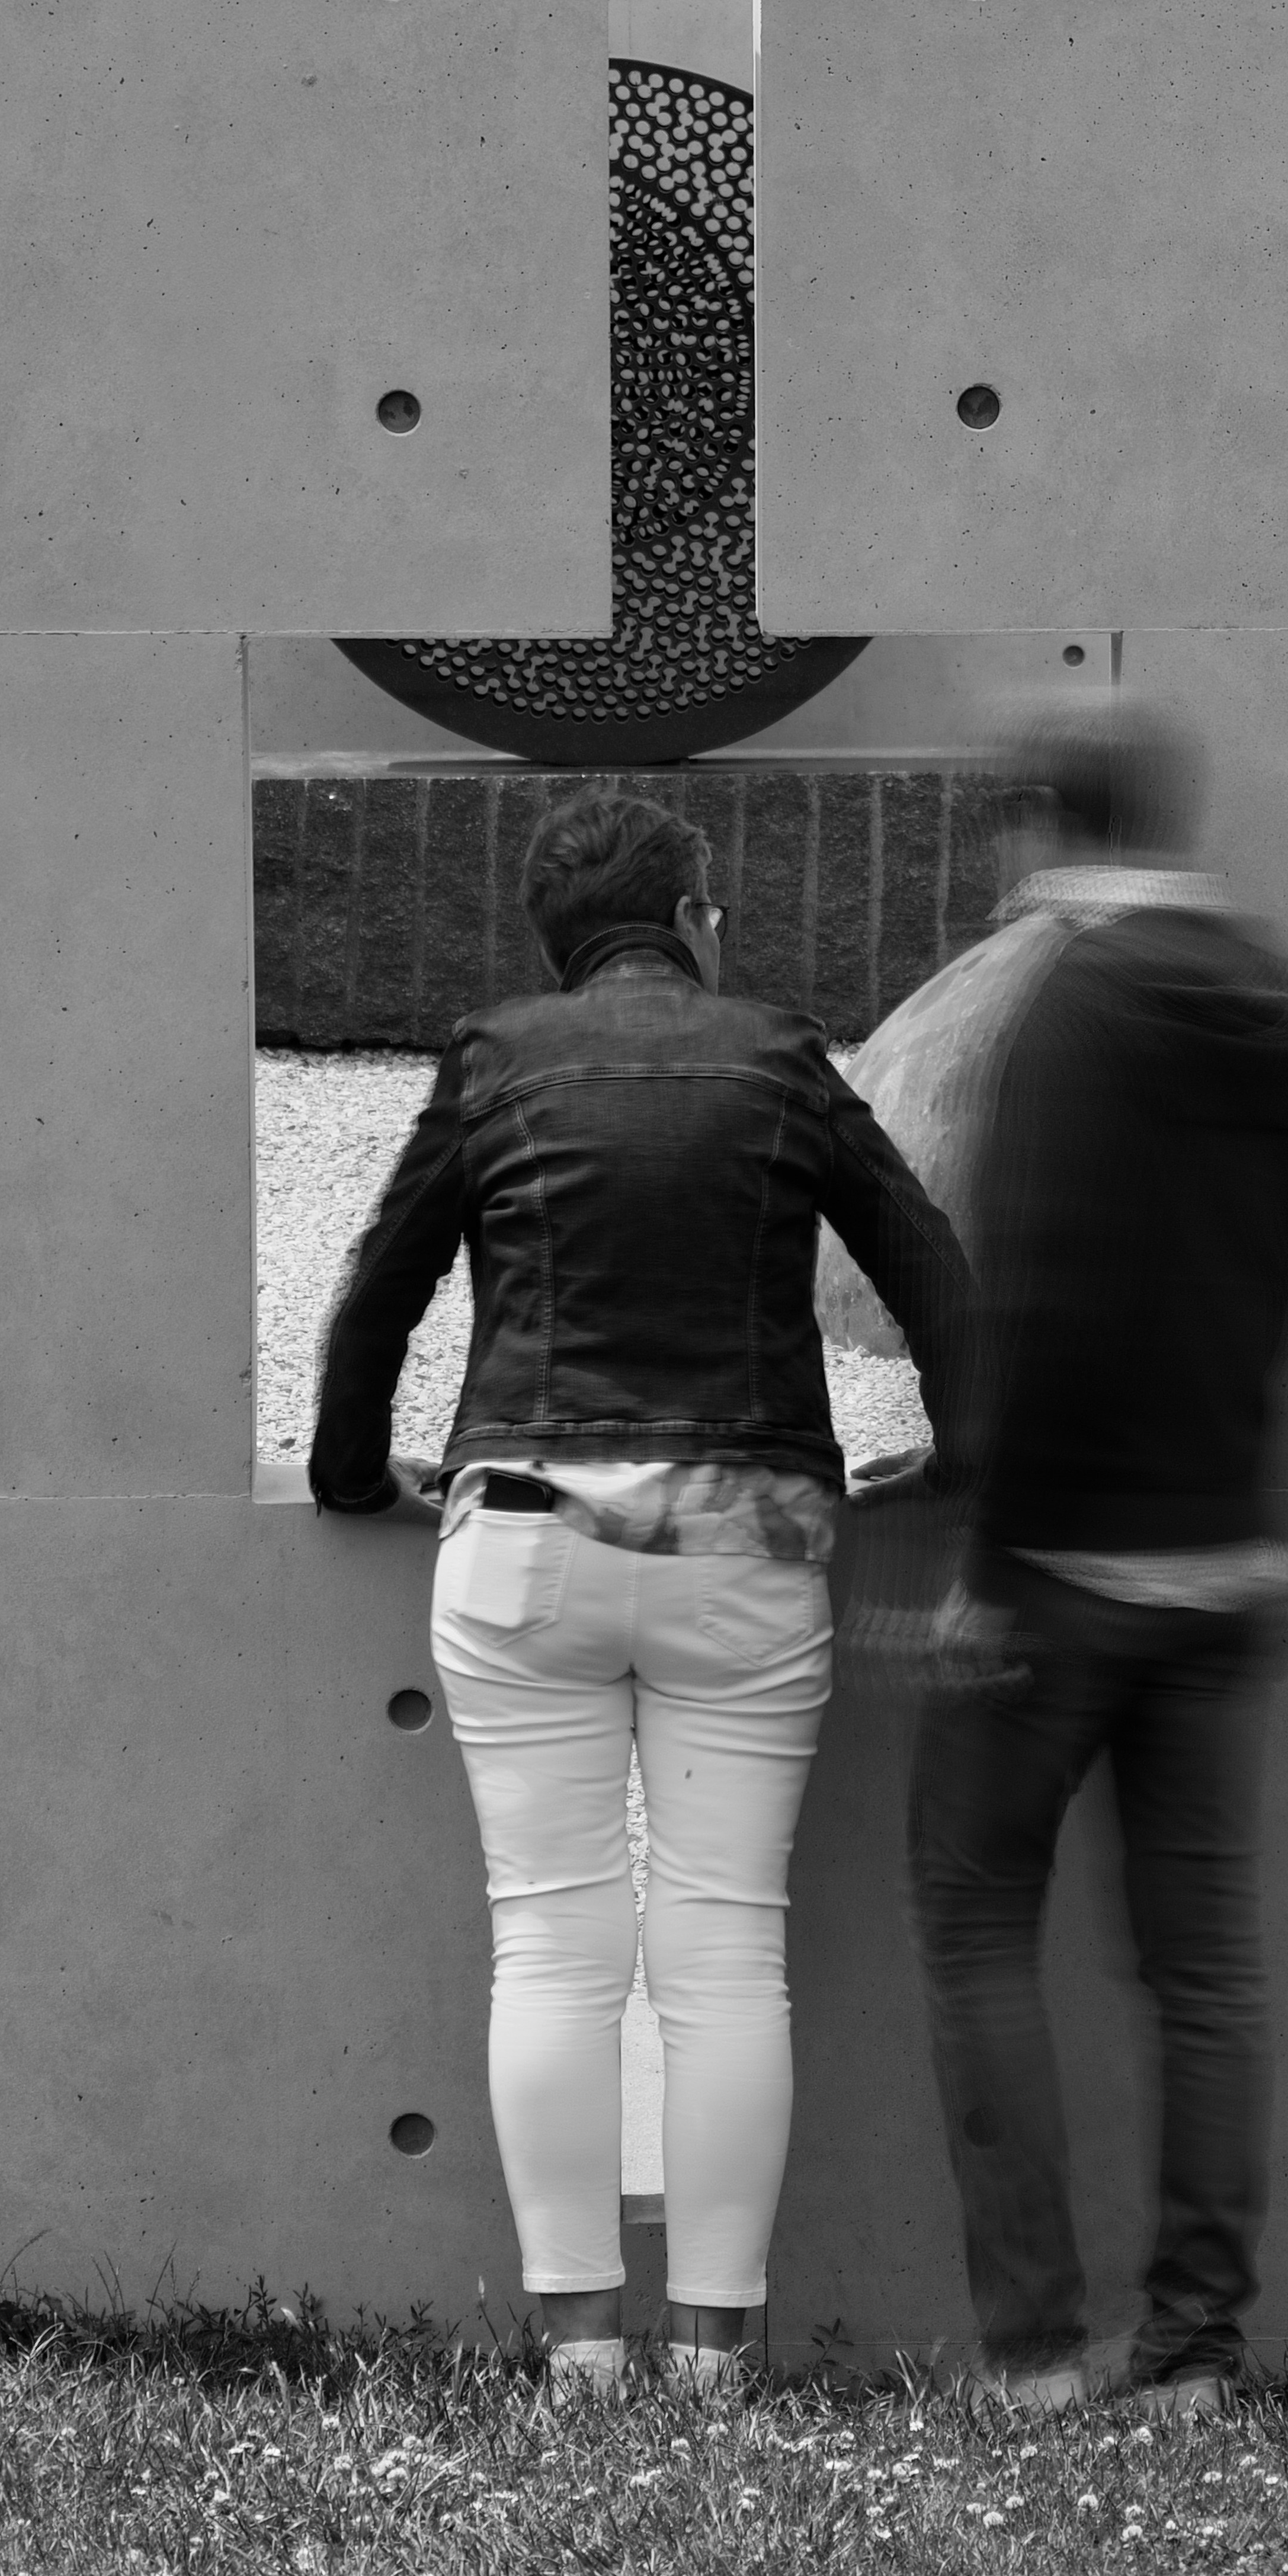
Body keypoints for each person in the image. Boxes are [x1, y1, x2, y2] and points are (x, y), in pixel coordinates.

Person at [312, 791, 975, 2401]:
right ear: (693, 914)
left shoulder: (487, 1063)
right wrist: (954, 1462)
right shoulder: (777, 1060)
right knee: (724, 1952)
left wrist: (351, 1479)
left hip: (525, 1544)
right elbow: (936, 1279)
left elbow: (376, 1300)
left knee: (550, 1948)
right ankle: (715, 2363)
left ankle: (580, 2359)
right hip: (744, 1545)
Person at [911, 696, 1288, 2412]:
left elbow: (1038, 1290)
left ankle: (1032, 2349)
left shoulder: (1073, 1009)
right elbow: (1285, 1285)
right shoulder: (1283, 1001)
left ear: (1035, 825)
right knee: (1206, 1968)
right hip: (1232, 1554)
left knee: (970, 1922)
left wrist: (988, 1550)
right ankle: (1190, 2354)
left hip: (1069, 1571)